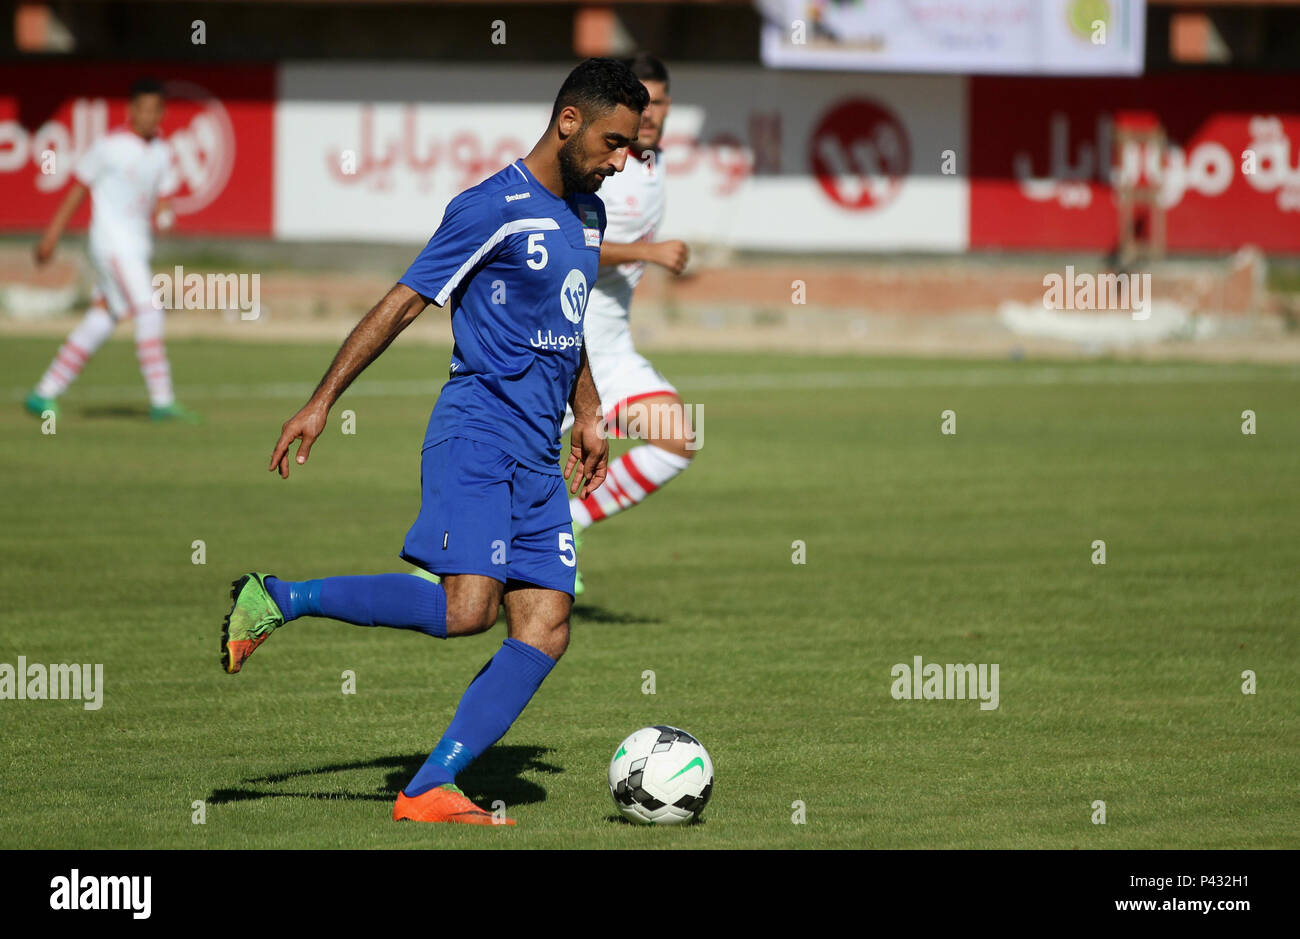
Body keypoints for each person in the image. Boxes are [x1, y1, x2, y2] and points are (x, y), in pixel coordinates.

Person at [220, 58, 648, 826]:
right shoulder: (490, 206)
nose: (622, 162)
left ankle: (425, 788)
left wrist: (589, 411)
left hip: (538, 455)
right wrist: (320, 402)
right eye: (615, 143)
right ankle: (279, 598)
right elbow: (401, 304)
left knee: (546, 627)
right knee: (466, 611)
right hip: (477, 433)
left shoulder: (589, 214)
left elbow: (569, 323)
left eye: (631, 148)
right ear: (569, 122)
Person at [562, 54, 694, 594]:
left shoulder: (652, 162)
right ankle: (441, 569)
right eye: (646, 103)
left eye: (661, 101)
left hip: (612, 348)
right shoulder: (603, 168)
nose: (654, 113)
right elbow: (572, 244)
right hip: (567, 349)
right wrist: (651, 252)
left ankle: (573, 523)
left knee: (678, 438)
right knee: (512, 471)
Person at [27, 77, 197, 423]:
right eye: (143, 108)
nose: (149, 116)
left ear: (162, 112)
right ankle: (161, 400)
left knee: (105, 315)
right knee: (150, 310)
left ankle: (43, 392)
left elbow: (162, 198)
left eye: (155, 109)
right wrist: (51, 236)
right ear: (132, 109)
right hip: (111, 244)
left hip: (136, 246)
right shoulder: (109, 146)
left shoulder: (162, 152)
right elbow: (78, 189)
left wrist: (164, 212)